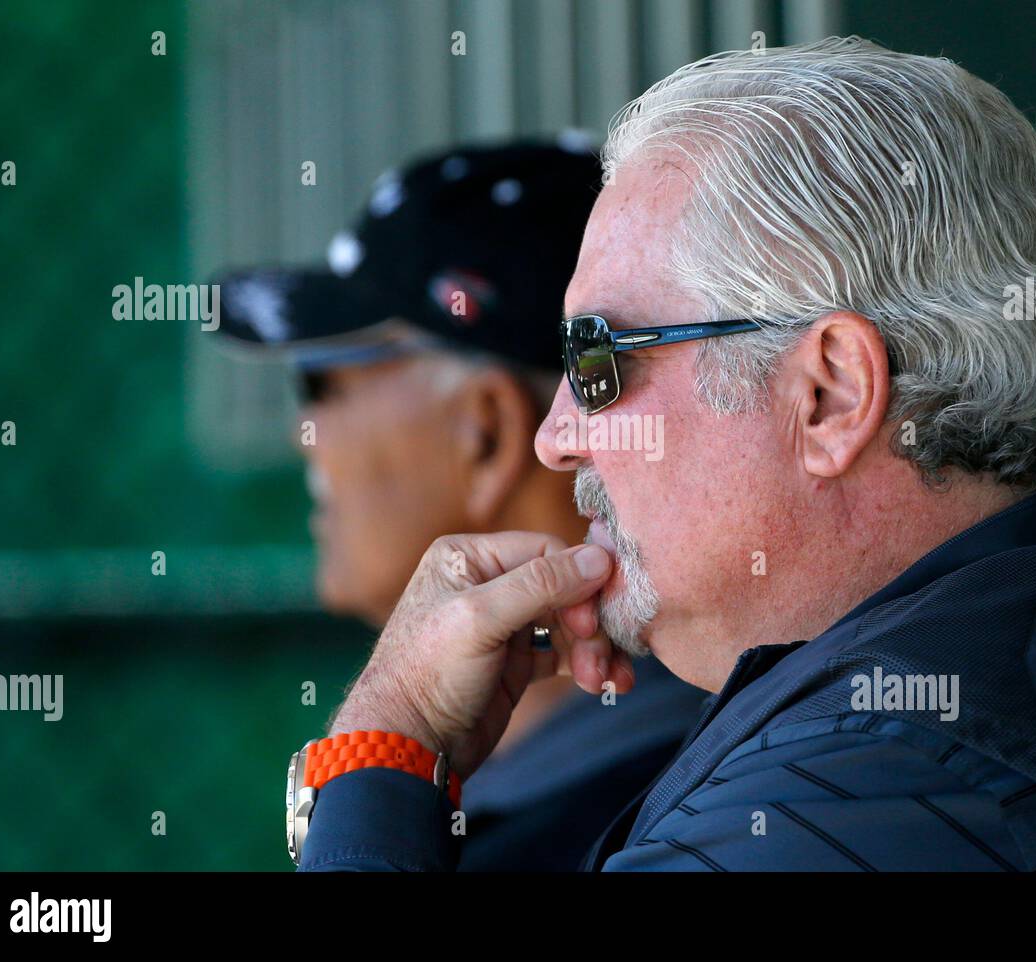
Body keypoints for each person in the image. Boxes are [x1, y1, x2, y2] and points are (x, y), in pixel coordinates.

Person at [291, 39, 1036, 872]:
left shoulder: (863, 791)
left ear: (828, 394)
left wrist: (386, 741)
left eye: (594, 360)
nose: (557, 435)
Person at [214, 140, 707, 871]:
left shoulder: (598, 835)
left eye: (319, 384)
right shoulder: (692, 758)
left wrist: (379, 749)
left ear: (488, 432)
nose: (303, 435)